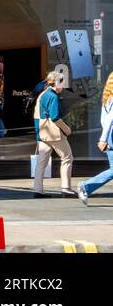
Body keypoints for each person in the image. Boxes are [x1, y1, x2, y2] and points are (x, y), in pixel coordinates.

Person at [32, 70, 76, 198]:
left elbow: (37, 116)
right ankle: (66, 188)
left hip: (42, 132)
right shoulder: (53, 96)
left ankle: (38, 190)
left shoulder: (43, 94)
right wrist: (67, 129)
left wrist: (38, 135)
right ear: (57, 83)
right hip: (54, 133)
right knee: (67, 158)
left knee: (41, 162)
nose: (63, 86)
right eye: (62, 83)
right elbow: (55, 117)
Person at [78, 72, 113, 206]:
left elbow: (104, 120)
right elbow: (109, 120)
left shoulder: (107, 99)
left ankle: (87, 187)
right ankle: (86, 186)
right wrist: (103, 139)